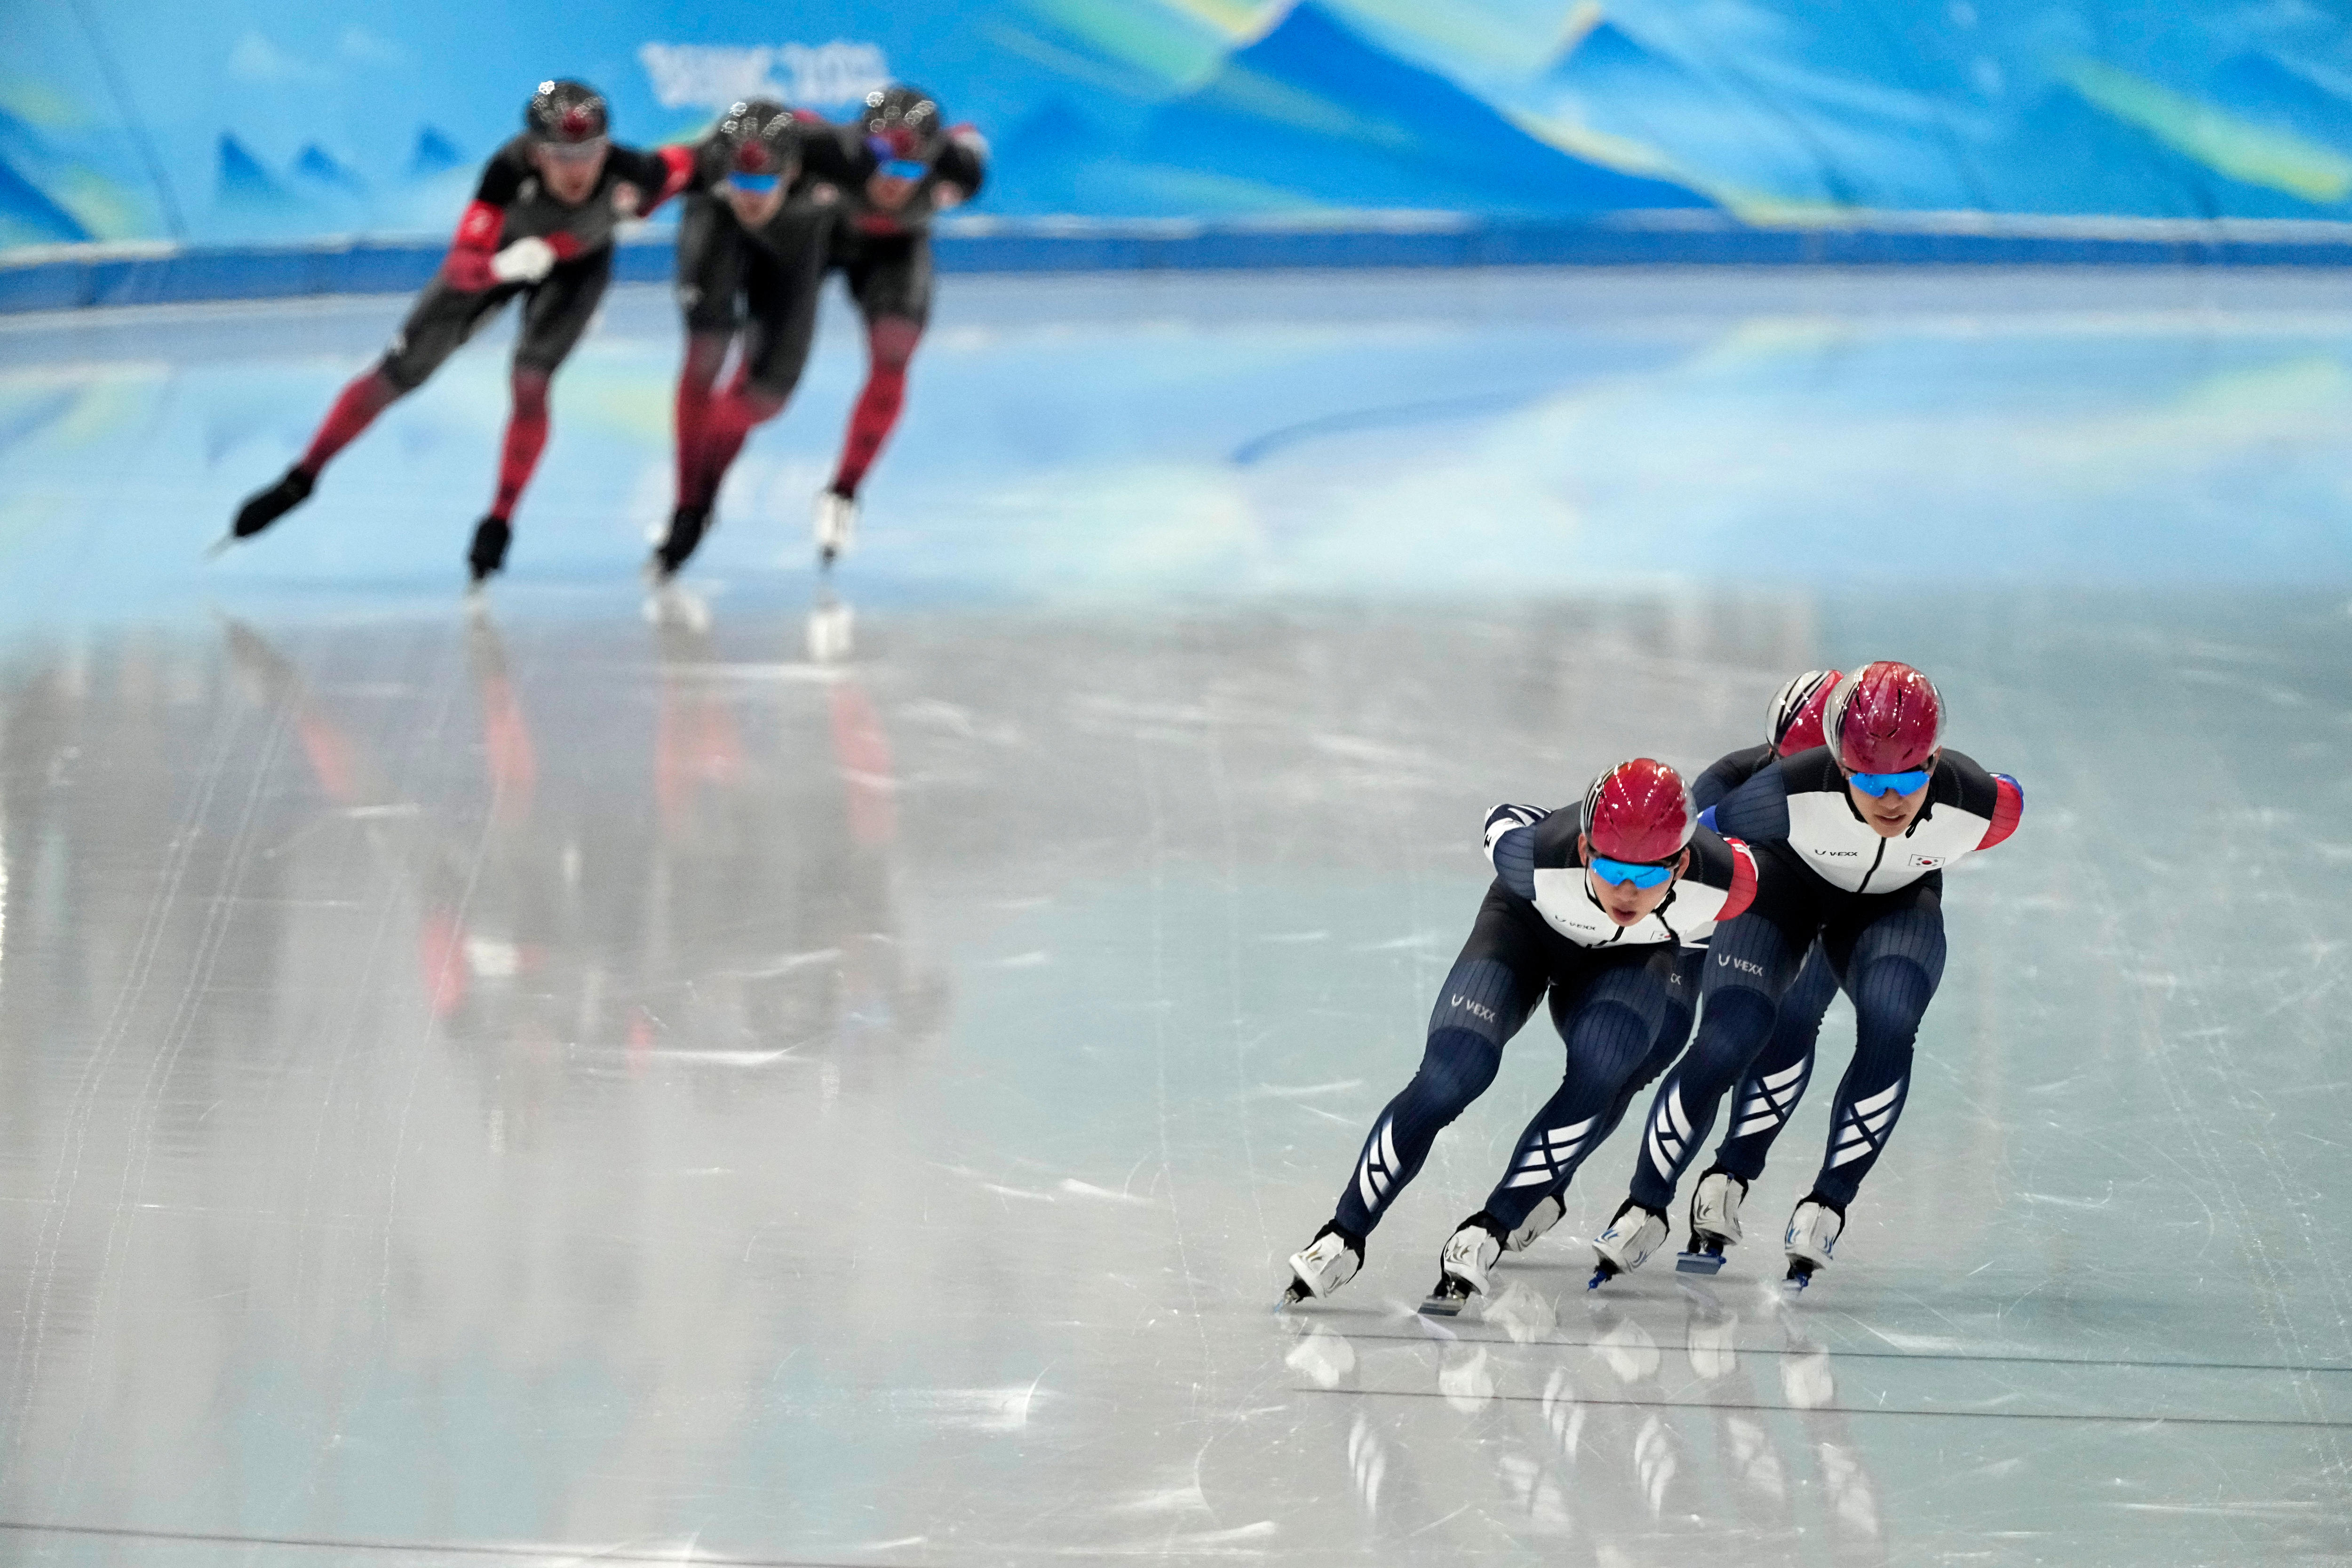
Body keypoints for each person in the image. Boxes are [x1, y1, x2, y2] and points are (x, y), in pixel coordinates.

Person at [1588, 662, 2022, 1289]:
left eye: (1910, 775)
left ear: (1935, 763)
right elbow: (1680, 849)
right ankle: (1647, 1203)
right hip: (1785, 893)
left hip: (1893, 908)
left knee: (1891, 1020)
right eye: (1870, 778)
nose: (1892, 798)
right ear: (1837, 766)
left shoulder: (1984, 805)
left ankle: (1825, 1203)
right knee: (1732, 1034)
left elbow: (2010, 792)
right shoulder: (1779, 792)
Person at [1281, 758, 1757, 1313]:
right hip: (1523, 933)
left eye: (1649, 875)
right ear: (1584, 852)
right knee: (1450, 1076)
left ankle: (1490, 1227)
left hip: (1629, 962)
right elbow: (1504, 816)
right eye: (1610, 870)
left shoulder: (1729, 881)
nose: (1628, 890)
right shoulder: (1529, 856)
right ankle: (1342, 1235)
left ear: (1679, 865)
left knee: (1608, 1067)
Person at [223, 80, 694, 584]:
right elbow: (462, 264)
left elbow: (698, 163)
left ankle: (498, 521)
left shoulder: (637, 172)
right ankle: (301, 479)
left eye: (588, 152)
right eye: (561, 153)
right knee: (395, 375)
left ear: (606, 146)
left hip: (577, 271)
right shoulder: (507, 169)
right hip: (494, 262)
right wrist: (503, 267)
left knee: (531, 381)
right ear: (537, 153)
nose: (576, 168)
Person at [652, 100, 868, 579]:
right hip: (716, 227)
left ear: (791, 171)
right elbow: (641, 177)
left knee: (768, 393)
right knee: (706, 354)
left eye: (762, 183)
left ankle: (705, 486)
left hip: (798, 242)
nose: (750, 195)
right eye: (741, 182)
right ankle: (688, 506)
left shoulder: (835, 154)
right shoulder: (707, 166)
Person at [1676, 668, 1844, 1273]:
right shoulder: (1726, 783)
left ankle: (1729, 1177)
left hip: (1831, 901)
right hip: (1745, 905)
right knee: (1708, 1034)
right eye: (1782, 764)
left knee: (1795, 1018)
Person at [801, 85, 988, 566]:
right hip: (824, 235)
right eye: (882, 164)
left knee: (892, 360)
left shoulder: (959, 169)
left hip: (896, 252)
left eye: (909, 170)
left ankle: (843, 493)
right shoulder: (828, 149)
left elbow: (969, 143)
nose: (892, 181)